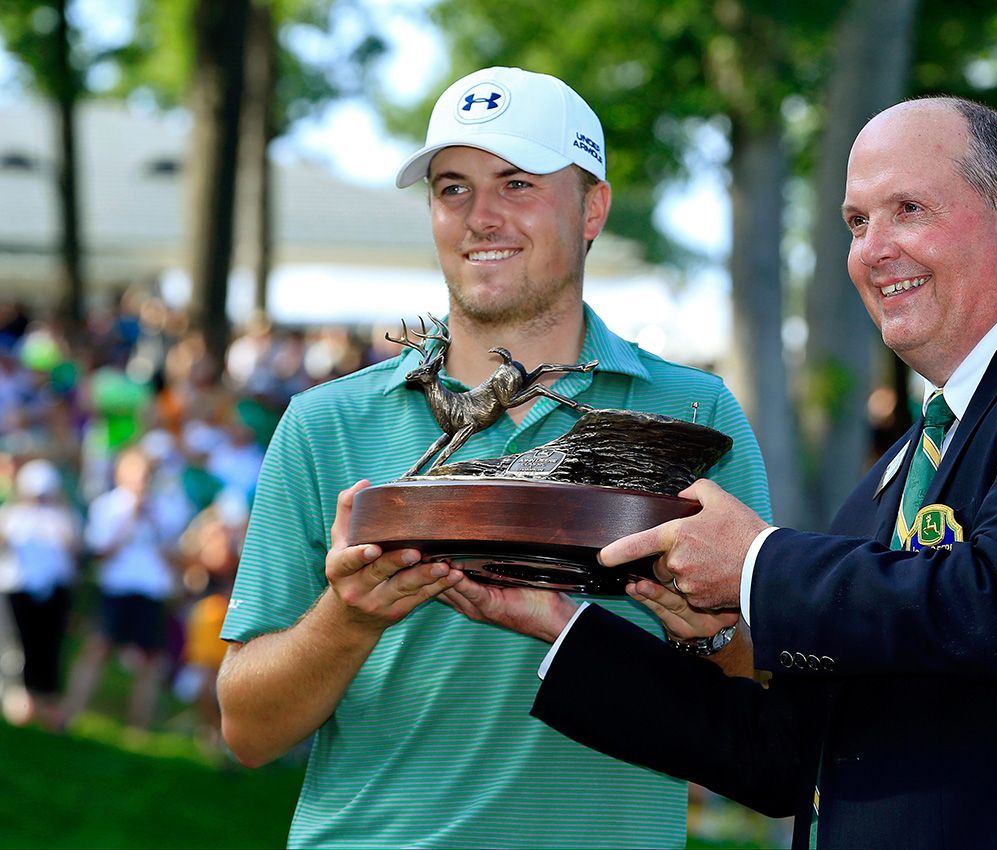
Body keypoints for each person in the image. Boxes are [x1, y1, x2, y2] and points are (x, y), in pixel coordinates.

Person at [442, 96, 997, 848]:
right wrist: (555, 622)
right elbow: (786, 756)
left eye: (908, 209)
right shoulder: (891, 479)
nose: (872, 249)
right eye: (857, 221)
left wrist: (754, 565)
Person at [215, 66, 771, 849]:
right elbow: (248, 731)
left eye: (517, 184)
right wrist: (348, 618)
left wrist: (709, 636)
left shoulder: (695, 413)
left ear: (593, 208)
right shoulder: (324, 422)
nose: (480, 217)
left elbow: (761, 712)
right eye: (453, 189)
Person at [62, 444, 187, 730]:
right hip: (116, 587)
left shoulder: (167, 508)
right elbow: (100, 554)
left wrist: (153, 523)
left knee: (151, 660)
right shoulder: (106, 506)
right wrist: (129, 520)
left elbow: (175, 555)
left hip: (152, 589)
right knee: (98, 648)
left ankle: (138, 726)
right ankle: (71, 712)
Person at [0, 457, 80, 728]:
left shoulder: (63, 518)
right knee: (18, 646)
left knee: (49, 647)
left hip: (54, 593)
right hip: (18, 590)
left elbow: (73, 551)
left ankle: (48, 701)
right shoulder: (12, 515)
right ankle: (19, 699)